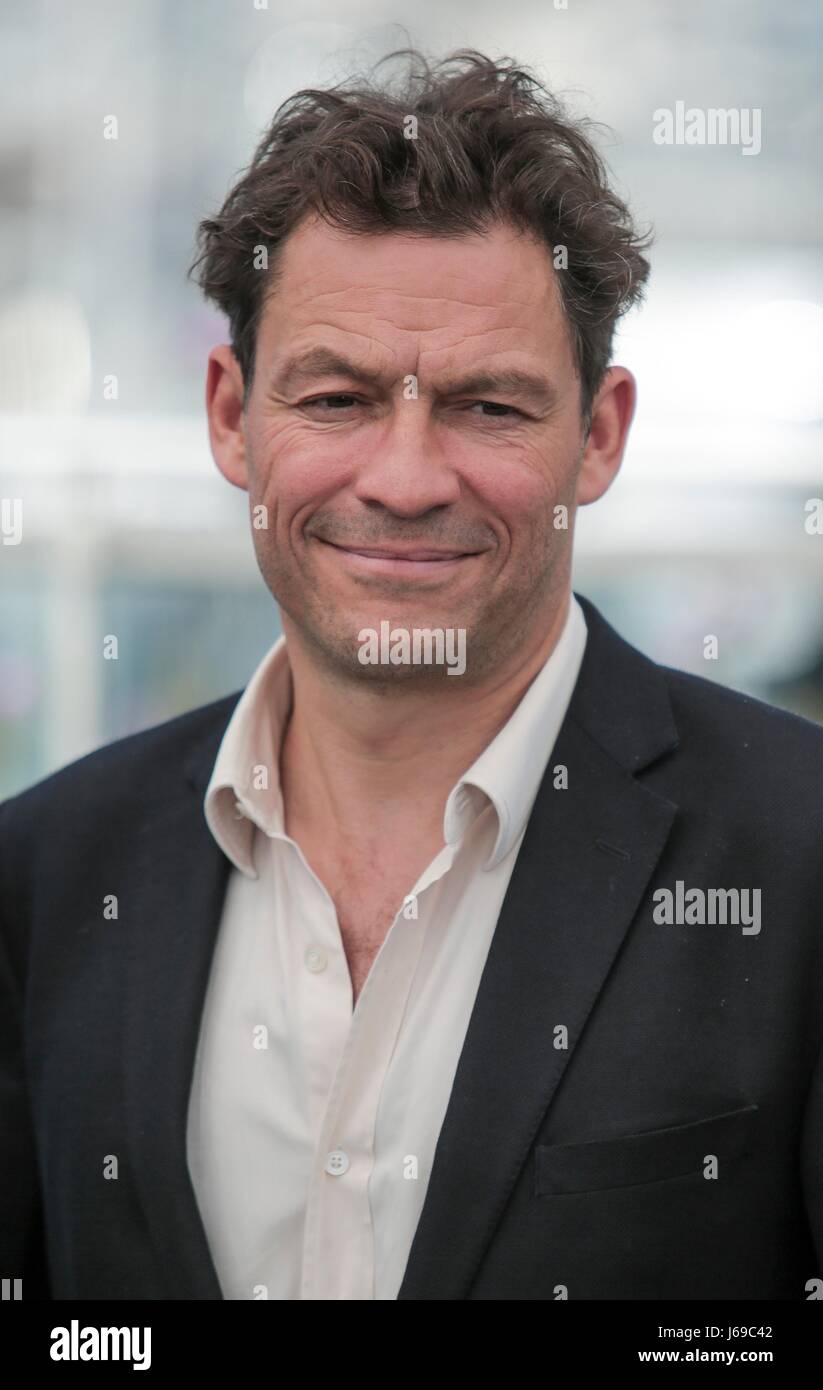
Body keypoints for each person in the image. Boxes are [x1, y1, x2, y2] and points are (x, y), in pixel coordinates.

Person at [1, 49, 821, 1302]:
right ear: (230, 416)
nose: (403, 478)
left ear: (597, 435)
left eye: (488, 407)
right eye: (333, 398)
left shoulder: (800, 854)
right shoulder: (44, 875)